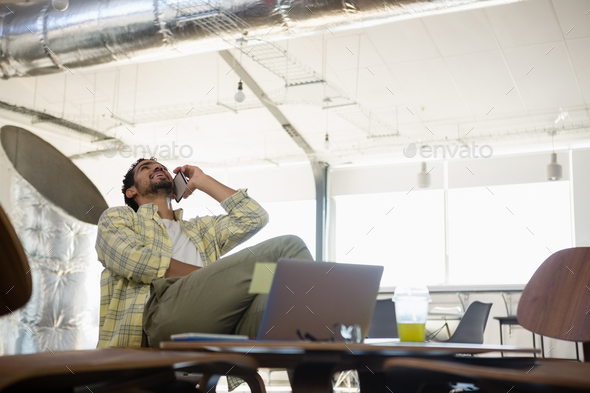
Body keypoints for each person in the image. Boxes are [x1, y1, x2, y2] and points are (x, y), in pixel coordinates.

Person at [95, 157, 313, 350]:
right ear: (131, 191)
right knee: (289, 247)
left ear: (175, 190)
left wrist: (202, 180)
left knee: (292, 303)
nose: (157, 167)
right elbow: (139, 262)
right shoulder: (119, 217)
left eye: (161, 166)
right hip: (157, 320)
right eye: (146, 167)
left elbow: (254, 217)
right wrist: (213, 279)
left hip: (216, 321)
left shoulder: (201, 230)